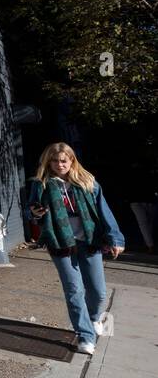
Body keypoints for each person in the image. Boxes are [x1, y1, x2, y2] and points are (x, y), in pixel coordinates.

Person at [25, 142, 125, 355]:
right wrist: (36, 214)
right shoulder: (41, 184)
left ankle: (94, 319)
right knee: (74, 290)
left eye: (64, 160)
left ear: (72, 161)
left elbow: (103, 212)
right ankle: (85, 336)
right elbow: (31, 213)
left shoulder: (88, 183)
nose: (59, 164)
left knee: (98, 292)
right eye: (55, 160)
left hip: (89, 241)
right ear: (48, 162)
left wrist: (115, 239)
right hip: (60, 242)